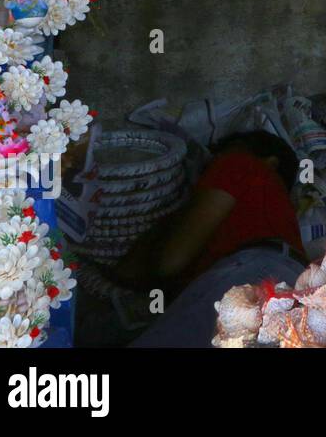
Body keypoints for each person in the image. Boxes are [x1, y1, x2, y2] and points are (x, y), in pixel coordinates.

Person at [116, 131, 308, 347]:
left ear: (271, 161)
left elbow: (169, 262)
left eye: (223, 153)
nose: (214, 161)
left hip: (257, 274)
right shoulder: (274, 210)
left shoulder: (244, 164)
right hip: (295, 287)